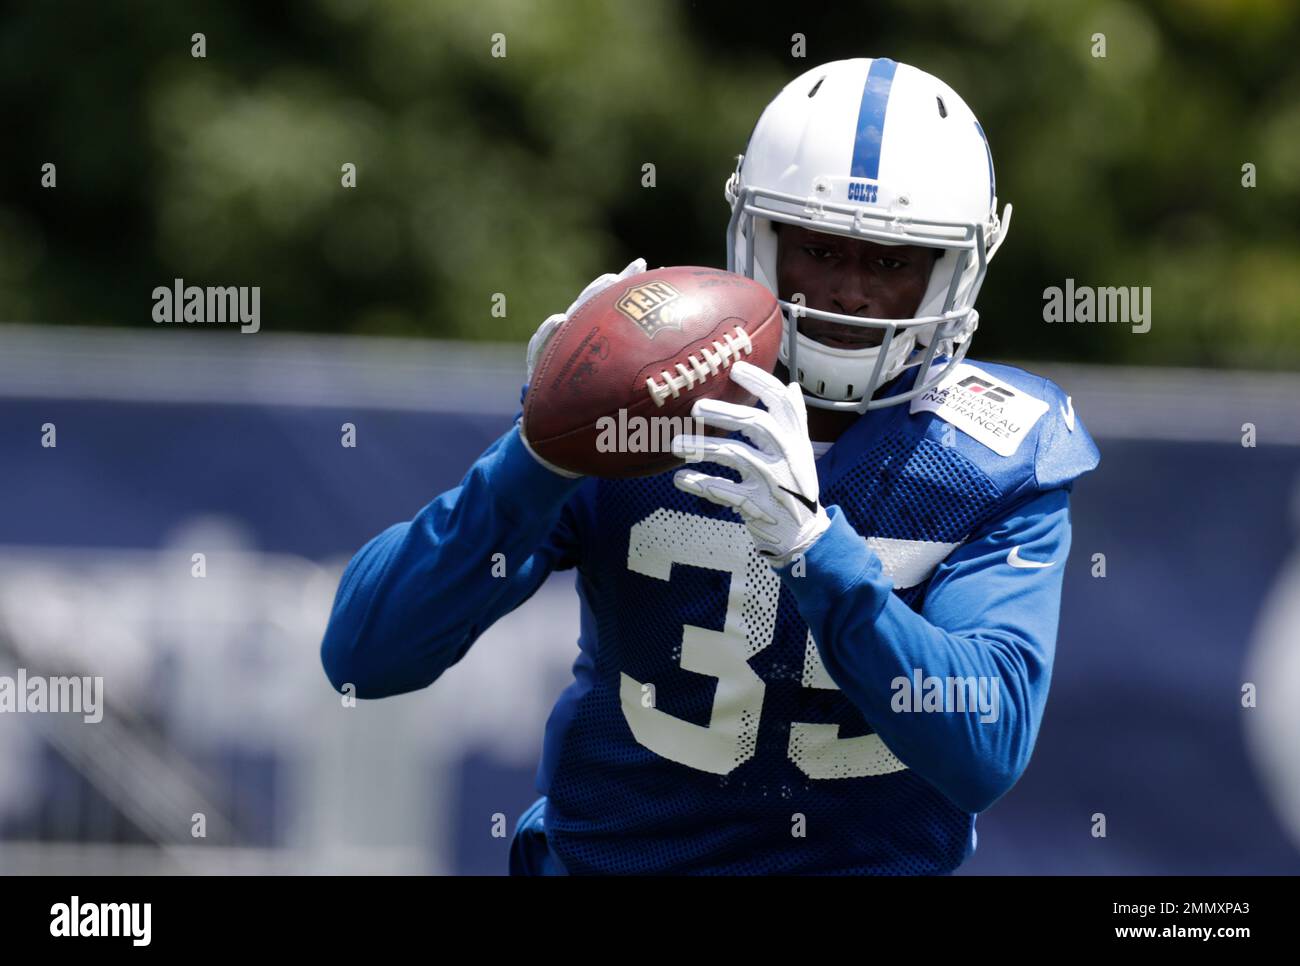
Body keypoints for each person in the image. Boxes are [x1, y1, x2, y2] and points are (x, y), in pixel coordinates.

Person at [320, 57, 1100, 875]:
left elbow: (986, 747)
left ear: (957, 267)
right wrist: (537, 454)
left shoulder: (996, 452)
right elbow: (365, 657)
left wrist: (817, 555)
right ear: (755, 237)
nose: (850, 292)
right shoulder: (650, 400)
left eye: (891, 262)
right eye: (819, 247)